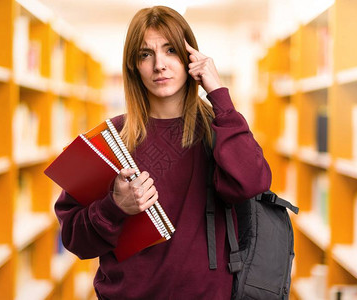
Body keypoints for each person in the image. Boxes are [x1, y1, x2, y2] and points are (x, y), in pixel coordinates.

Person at [54, 5, 271, 299]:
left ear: (190, 58)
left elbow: (252, 182)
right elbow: (74, 240)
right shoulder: (108, 140)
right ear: (133, 65)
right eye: (146, 54)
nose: (160, 65)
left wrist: (219, 93)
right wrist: (115, 207)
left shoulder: (219, 128)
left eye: (171, 50)